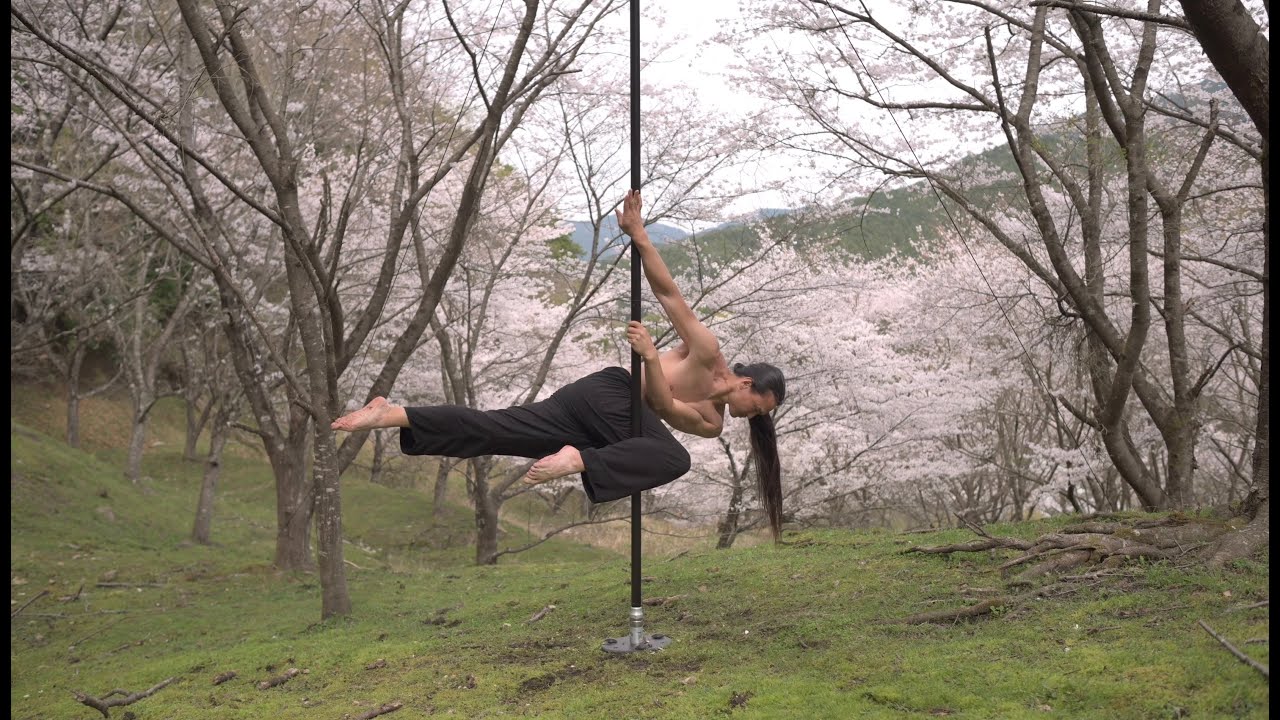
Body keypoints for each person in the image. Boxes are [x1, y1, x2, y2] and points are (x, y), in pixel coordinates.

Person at [331, 190, 787, 537]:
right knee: (672, 457)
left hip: (603, 422)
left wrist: (650, 357)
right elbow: (670, 295)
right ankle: (577, 459)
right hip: (608, 393)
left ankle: (392, 414)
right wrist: (640, 236)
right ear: (747, 382)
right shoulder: (706, 351)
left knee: (498, 429)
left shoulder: (711, 422)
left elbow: (664, 407)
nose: (755, 416)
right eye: (760, 405)